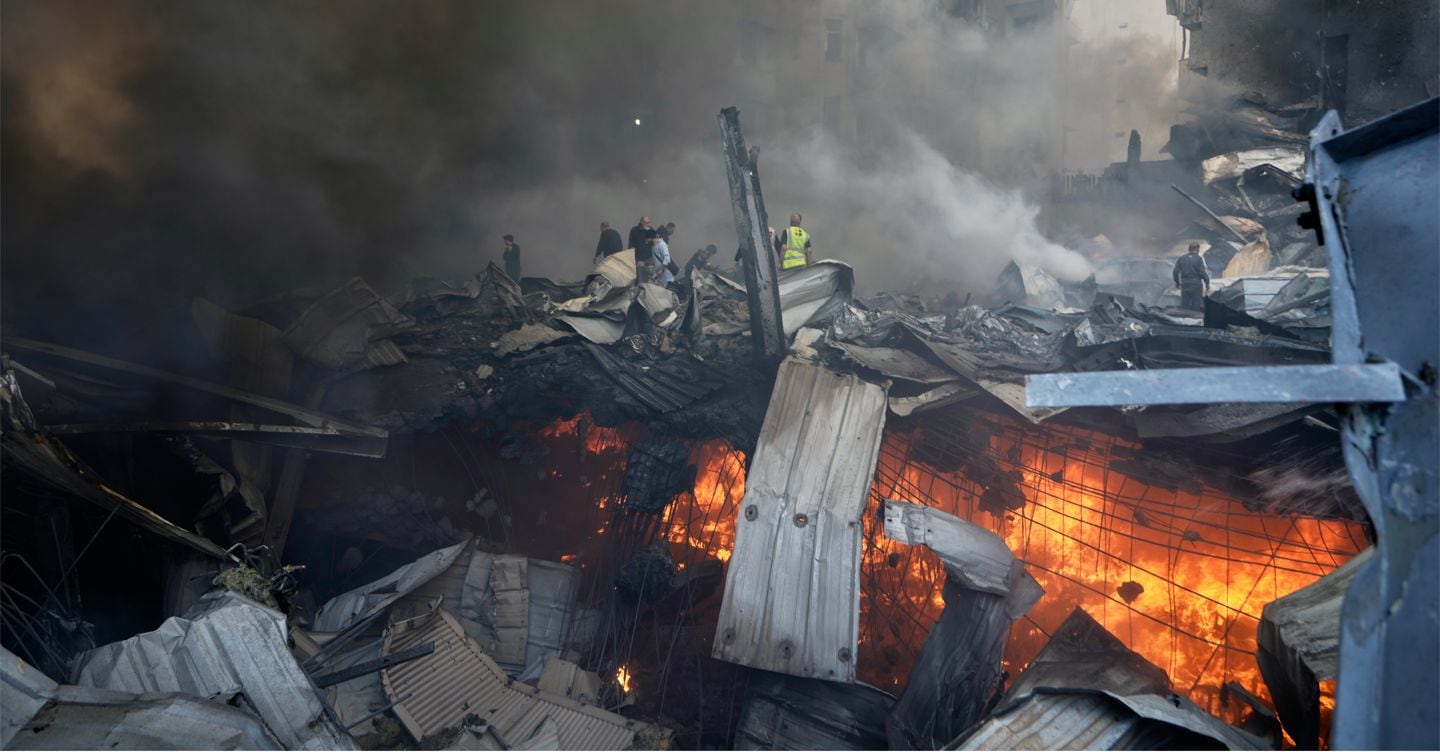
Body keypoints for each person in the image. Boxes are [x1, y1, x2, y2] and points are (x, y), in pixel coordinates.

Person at [1172, 242, 1210, 310]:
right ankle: (1193, 318)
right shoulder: (1198, 259)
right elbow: (1202, 272)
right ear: (1198, 249)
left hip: (1185, 284)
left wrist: (1177, 283)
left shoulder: (1181, 258)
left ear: (1189, 249)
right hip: (1196, 284)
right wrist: (1207, 283)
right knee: (1196, 304)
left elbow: (1175, 272)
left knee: (1184, 304)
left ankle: (1184, 319)